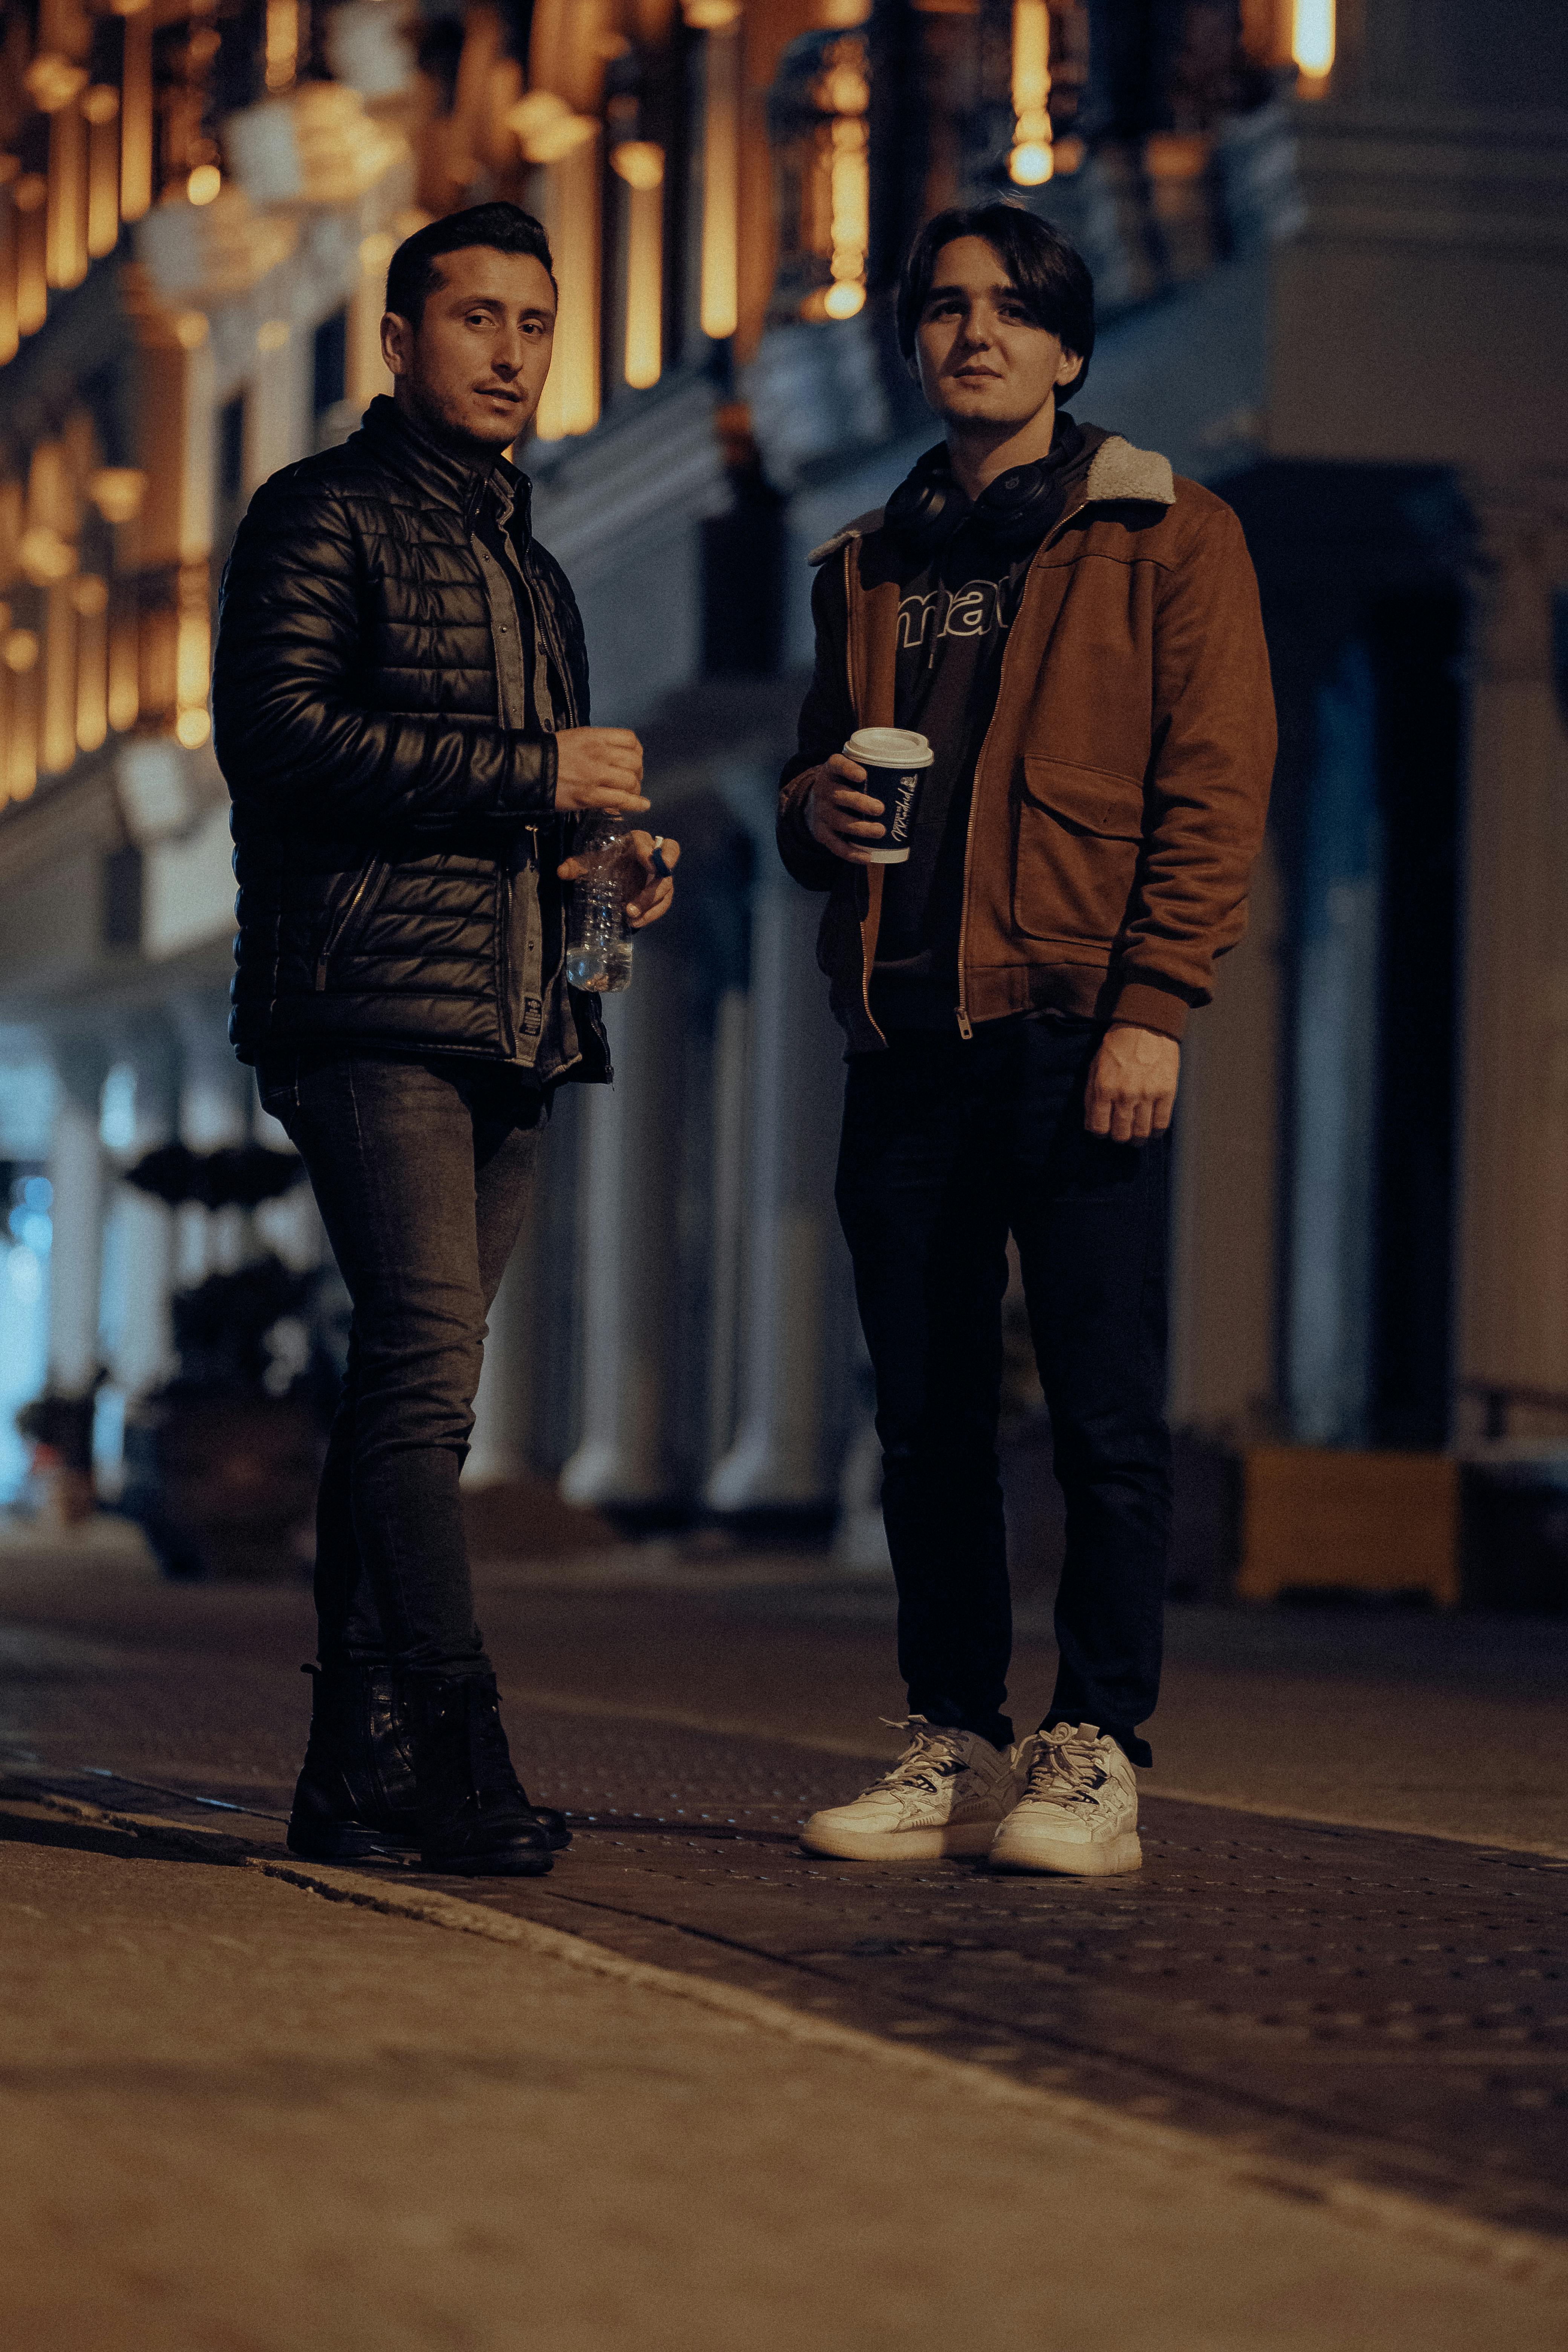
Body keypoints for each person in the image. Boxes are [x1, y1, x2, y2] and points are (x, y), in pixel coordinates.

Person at [778, 204, 1274, 1875]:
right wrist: (811, 801)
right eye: (941, 310)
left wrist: (1152, 1009)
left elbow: (1210, 792)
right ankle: (951, 1735)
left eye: (1007, 311)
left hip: (1075, 1031)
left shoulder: (1164, 533)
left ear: (1067, 350)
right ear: (913, 346)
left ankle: (1097, 1749)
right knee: (919, 1416)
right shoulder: (866, 564)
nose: (969, 334)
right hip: (904, 1035)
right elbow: (802, 785)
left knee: (1100, 1410)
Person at [212, 202, 679, 1878]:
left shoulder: (529, 566)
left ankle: (355, 1769)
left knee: (419, 1401)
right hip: (361, 1003)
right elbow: (272, 737)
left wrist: (600, 862)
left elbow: (534, 808)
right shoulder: (316, 512)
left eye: (534, 322)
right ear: (399, 342)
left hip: (514, 1012)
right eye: (474, 317)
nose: (509, 350)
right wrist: (531, 775)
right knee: (419, 1368)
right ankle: (459, 1747)